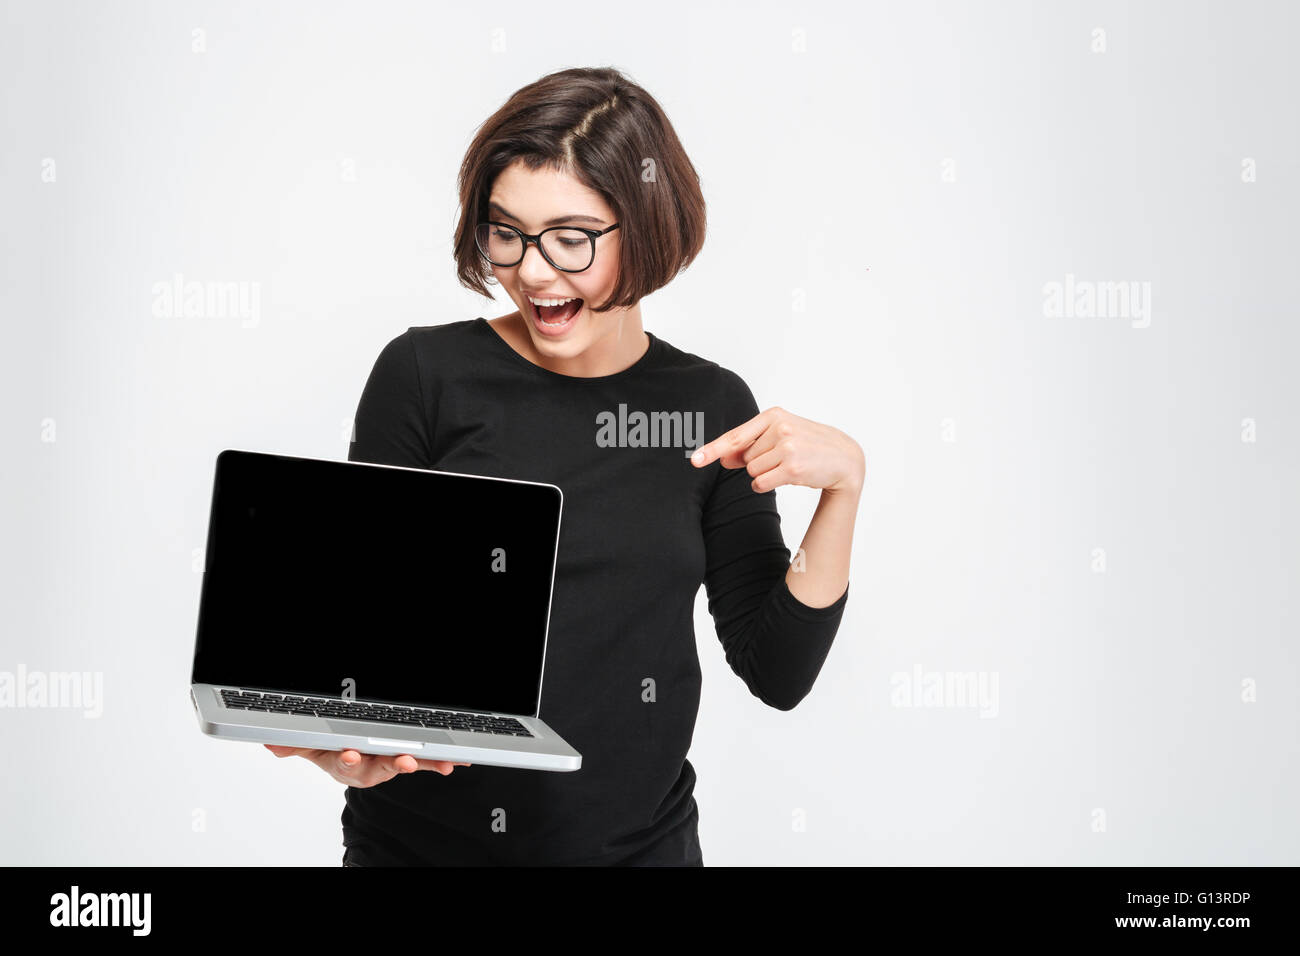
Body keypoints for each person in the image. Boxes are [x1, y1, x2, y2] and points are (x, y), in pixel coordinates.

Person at [266, 66, 864, 866]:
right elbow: (355, 639)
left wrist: (843, 488)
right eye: (507, 231)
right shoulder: (424, 376)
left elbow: (776, 670)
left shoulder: (710, 406)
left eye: (572, 238)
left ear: (644, 225)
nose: (535, 272)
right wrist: (331, 740)